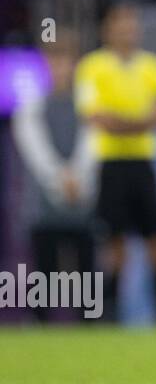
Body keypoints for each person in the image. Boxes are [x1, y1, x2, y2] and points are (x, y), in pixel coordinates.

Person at [74, 4, 156, 321]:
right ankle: (112, 314)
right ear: (108, 30)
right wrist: (143, 122)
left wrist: (124, 123)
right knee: (114, 243)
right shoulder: (92, 67)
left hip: (144, 163)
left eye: (131, 25)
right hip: (111, 163)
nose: (126, 31)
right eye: (120, 26)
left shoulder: (154, 67)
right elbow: (95, 117)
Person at [13, 35, 96, 321]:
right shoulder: (31, 105)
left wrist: (78, 177)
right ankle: (41, 322)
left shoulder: (87, 101)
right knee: (46, 268)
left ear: (74, 65)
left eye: (65, 60)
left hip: (81, 197)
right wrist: (59, 179)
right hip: (44, 201)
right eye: (54, 60)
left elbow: (91, 142)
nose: (60, 67)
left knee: (85, 267)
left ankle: (90, 325)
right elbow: (34, 148)